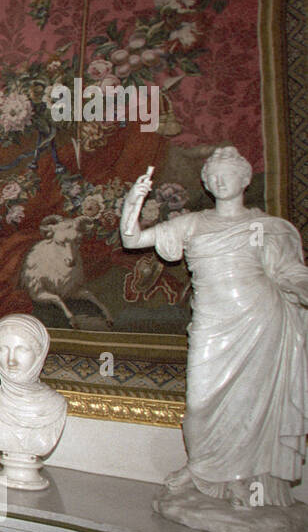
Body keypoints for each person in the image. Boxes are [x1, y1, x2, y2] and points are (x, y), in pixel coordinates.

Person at [121, 148, 308, 509]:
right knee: (201, 400)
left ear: (245, 179)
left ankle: (243, 479)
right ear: (206, 183)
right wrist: (133, 202)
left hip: (260, 318)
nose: (220, 181)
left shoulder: (265, 227)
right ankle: (202, 467)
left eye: (229, 174)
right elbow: (132, 240)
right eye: (214, 176)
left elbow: (287, 272)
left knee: (251, 400)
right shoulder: (193, 223)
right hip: (212, 320)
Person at [0, 313, 67, 489]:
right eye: (3, 349)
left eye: (22, 350)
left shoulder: (56, 406)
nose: (11, 360)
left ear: (39, 354)